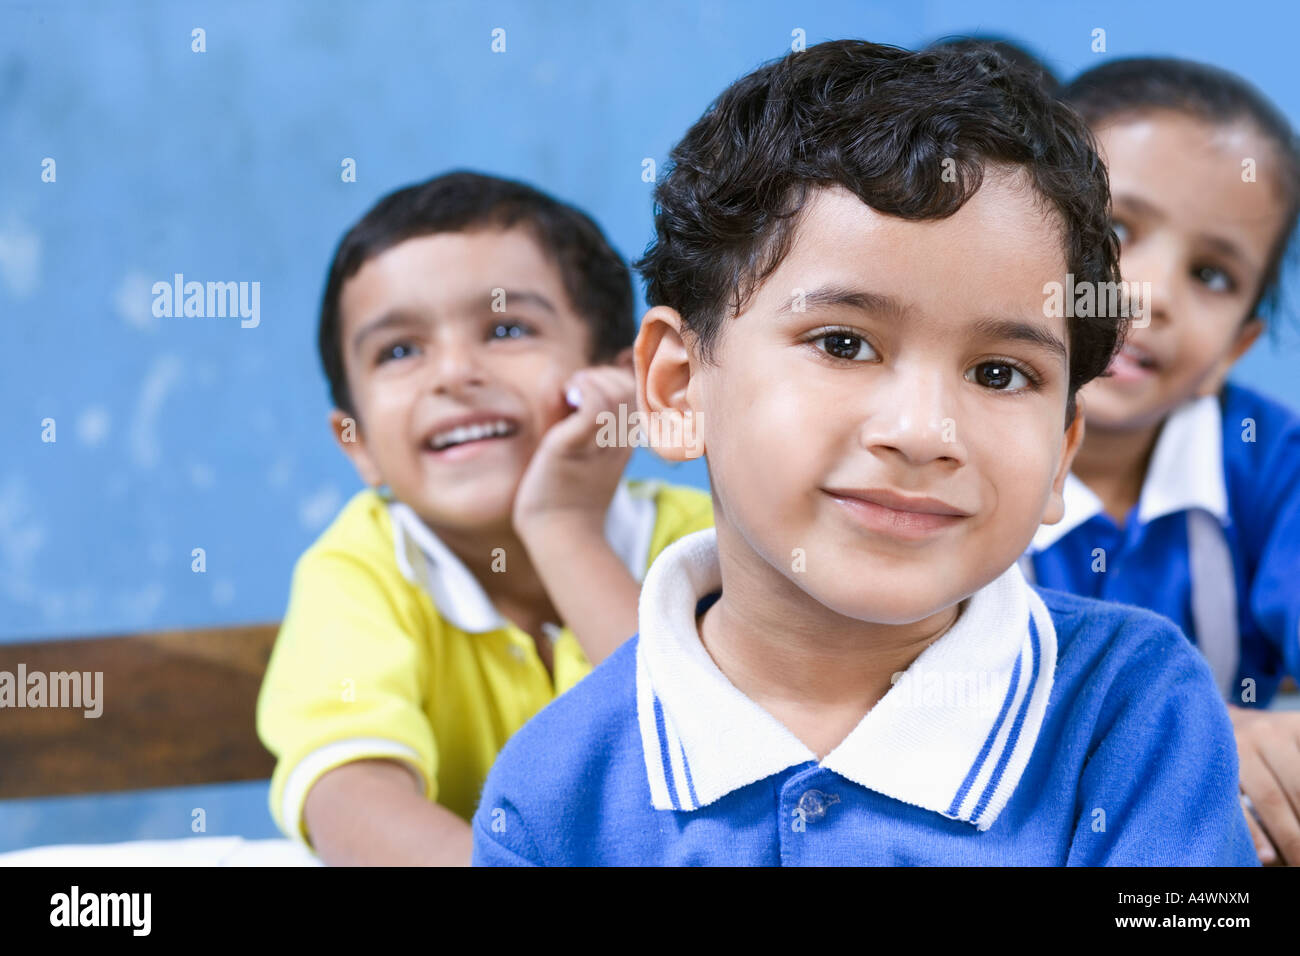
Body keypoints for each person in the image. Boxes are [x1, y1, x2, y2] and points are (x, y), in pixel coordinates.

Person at [471, 39, 1257, 866]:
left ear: (1062, 453)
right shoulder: (553, 794)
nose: (922, 432)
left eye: (1000, 372)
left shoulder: (1134, 708)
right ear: (676, 388)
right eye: (843, 343)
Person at [256, 171, 712, 865]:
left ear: (630, 385)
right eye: (400, 351)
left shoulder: (704, 542)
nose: (454, 374)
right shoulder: (362, 570)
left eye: (505, 328)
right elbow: (351, 802)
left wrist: (565, 528)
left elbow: (711, 756)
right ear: (358, 445)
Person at [1024, 58, 1300, 865]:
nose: (1151, 295)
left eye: (1212, 275)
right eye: (1113, 233)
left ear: (1236, 348)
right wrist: (1201, 740)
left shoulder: (1270, 465)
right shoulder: (938, 441)